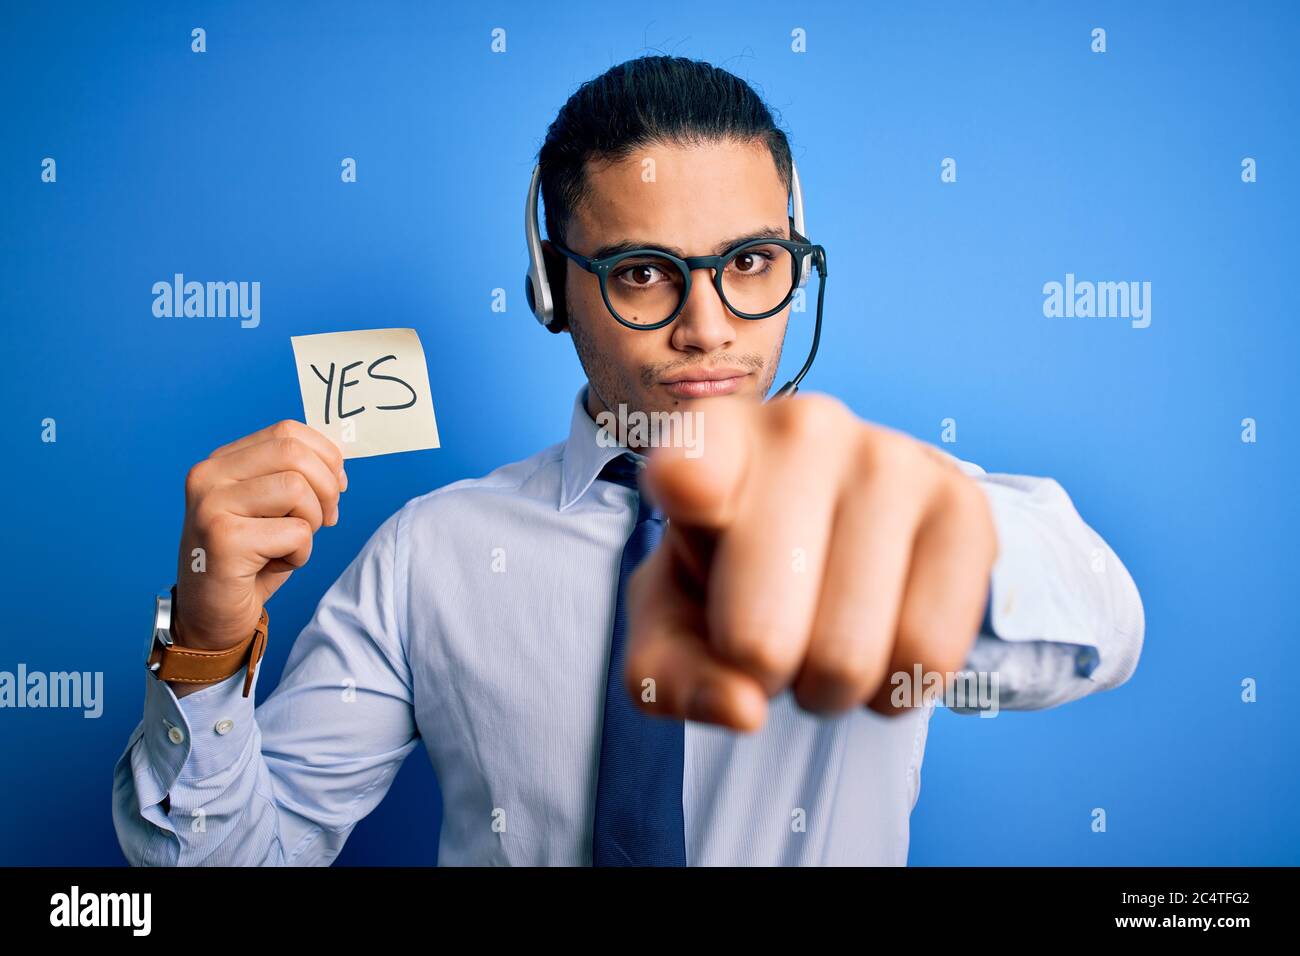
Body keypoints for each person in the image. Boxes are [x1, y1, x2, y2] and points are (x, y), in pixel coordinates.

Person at [112, 55, 1144, 866]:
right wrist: (205, 643)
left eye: (749, 263)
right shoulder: (430, 553)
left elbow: (1102, 634)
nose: (707, 328)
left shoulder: (879, 495)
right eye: (645, 272)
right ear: (552, 286)